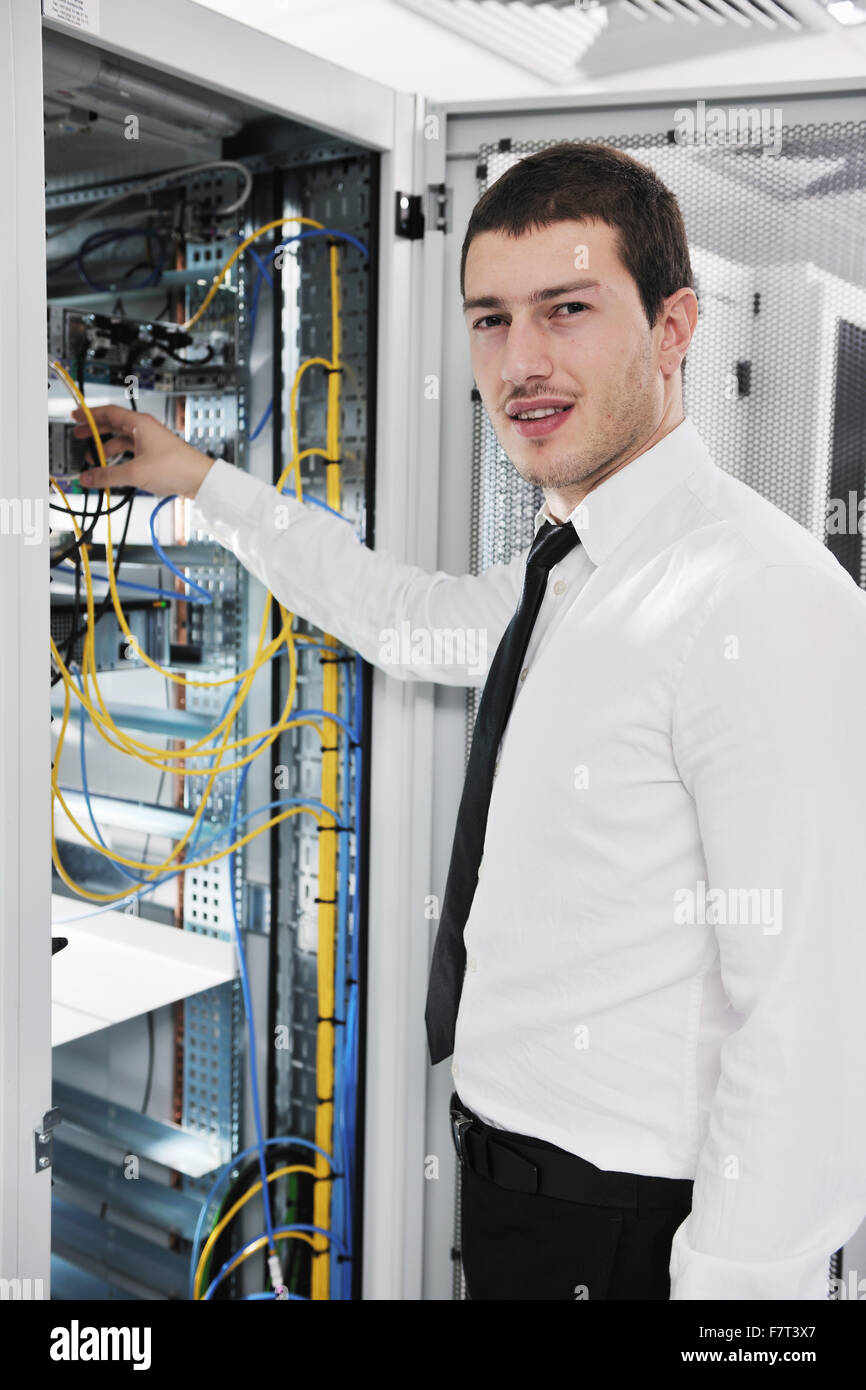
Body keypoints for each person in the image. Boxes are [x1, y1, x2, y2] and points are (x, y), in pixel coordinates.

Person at [73, 142, 866, 1302]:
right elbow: (400, 615)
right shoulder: (567, 579)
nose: (521, 361)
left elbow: (817, 1017)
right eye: (489, 320)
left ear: (675, 325)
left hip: (635, 1230)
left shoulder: (758, 596)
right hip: (520, 1198)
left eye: (568, 309)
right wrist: (198, 480)